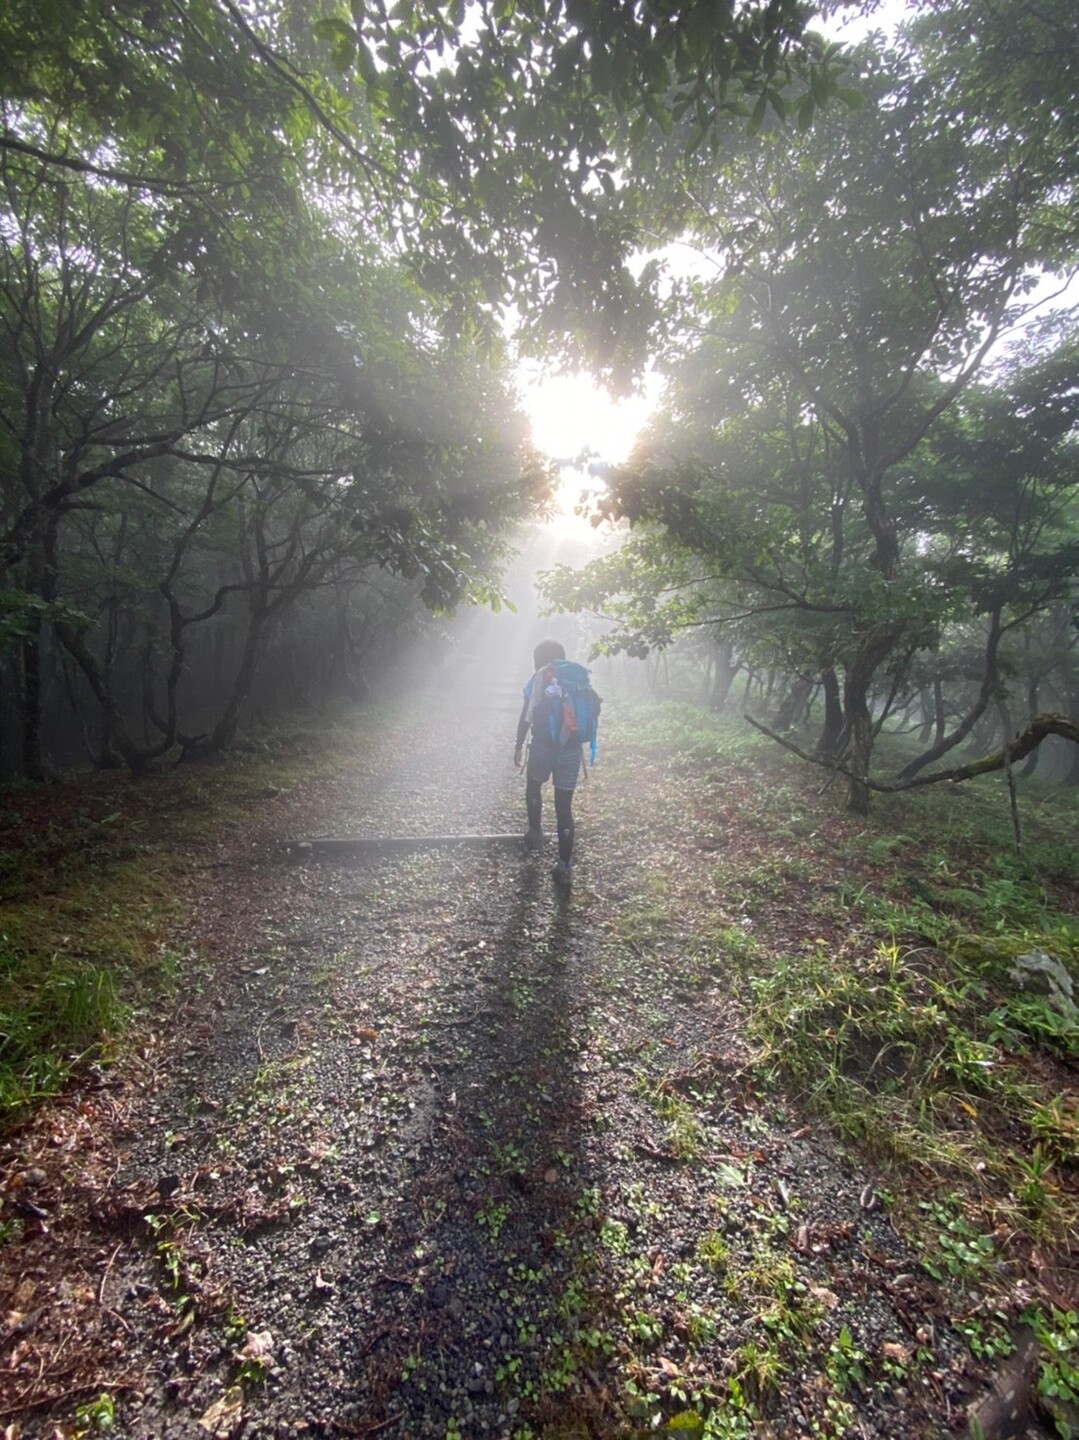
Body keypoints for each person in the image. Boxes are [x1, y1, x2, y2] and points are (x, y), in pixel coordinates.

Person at [514, 639, 583, 885]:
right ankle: (564, 866)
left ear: (539, 659)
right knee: (564, 808)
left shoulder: (537, 680)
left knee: (533, 786)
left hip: (543, 748)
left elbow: (526, 717)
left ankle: (535, 833)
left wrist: (518, 746)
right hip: (571, 751)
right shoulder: (576, 679)